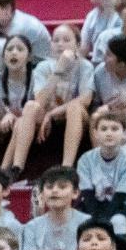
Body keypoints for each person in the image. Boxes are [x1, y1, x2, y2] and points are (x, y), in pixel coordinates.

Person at [32, 24, 95, 168]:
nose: (60, 44)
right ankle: (15, 167)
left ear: (77, 44)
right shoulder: (43, 67)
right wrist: (59, 70)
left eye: (66, 40)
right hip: (47, 120)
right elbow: (39, 102)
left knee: (74, 107)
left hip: (76, 118)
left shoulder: (85, 66)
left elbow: (86, 99)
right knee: (31, 107)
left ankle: (66, 166)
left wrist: (52, 113)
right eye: (56, 40)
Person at [0, 35, 42, 177]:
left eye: (20, 49)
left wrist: (13, 115)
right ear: (3, 56)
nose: (14, 53)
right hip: (5, 126)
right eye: (9, 49)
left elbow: (37, 106)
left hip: (31, 124)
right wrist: (7, 115)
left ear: (29, 57)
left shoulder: (36, 76)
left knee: (22, 119)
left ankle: (9, 170)